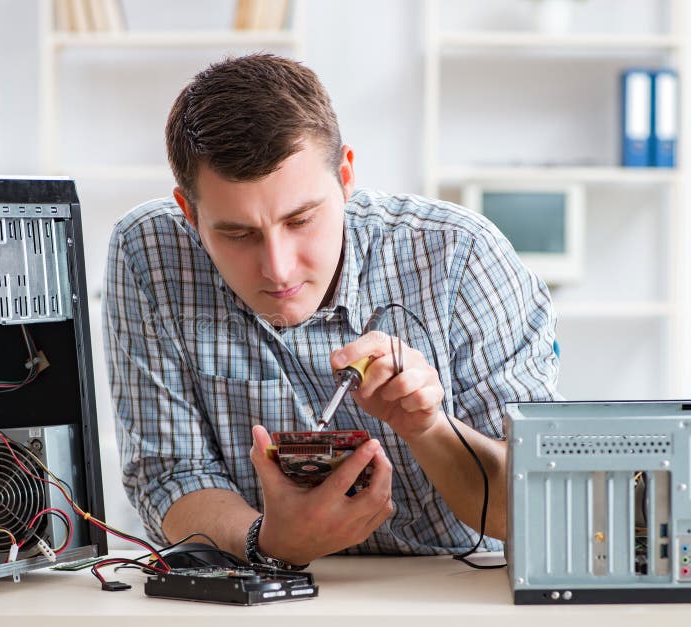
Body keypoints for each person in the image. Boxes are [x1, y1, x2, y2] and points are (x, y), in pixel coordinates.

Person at [102, 53, 559, 569]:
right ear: (189, 213)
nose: (277, 269)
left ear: (345, 176)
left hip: (450, 585)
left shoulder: (460, 255)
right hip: (257, 590)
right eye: (237, 234)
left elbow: (536, 503)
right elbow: (170, 473)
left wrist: (428, 428)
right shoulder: (150, 251)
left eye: (301, 220)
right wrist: (266, 541)